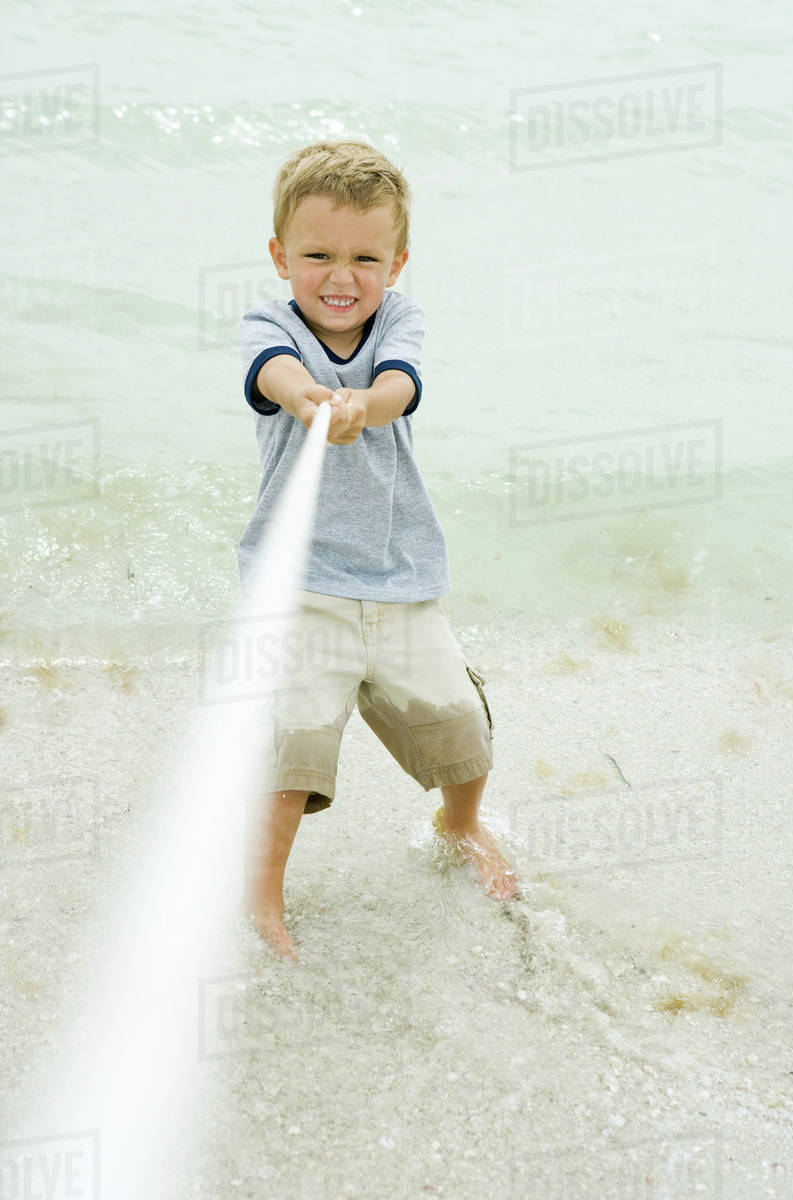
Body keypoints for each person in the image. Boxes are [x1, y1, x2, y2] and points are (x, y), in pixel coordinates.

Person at [237, 139, 519, 960]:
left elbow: (401, 382)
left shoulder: (400, 318)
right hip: (299, 588)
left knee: (459, 724)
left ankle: (458, 827)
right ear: (280, 256)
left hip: (400, 578)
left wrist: (367, 403)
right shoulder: (270, 323)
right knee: (293, 745)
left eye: (364, 257)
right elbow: (275, 375)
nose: (340, 275)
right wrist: (313, 398)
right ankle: (262, 892)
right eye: (317, 254)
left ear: (395, 262)